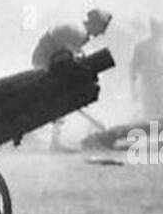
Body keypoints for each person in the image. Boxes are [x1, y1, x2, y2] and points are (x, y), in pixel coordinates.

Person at [31, 8, 112, 150]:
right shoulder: (78, 32)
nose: (102, 33)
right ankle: (54, 143)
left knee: (63, 96)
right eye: (102, 27)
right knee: (61, 97)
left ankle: (54, 141)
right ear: (95, 23)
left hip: (46, 62)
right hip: (44, 63)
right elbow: (66, 58)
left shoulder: (79, 30)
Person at [130, 17, 163, 118]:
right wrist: (133, 89)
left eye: (162, 28)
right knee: (150, 116)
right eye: (157, 28)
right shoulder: (141, 47)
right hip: (148, 87)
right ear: (152, 29)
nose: (160, 31)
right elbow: (133, 70)